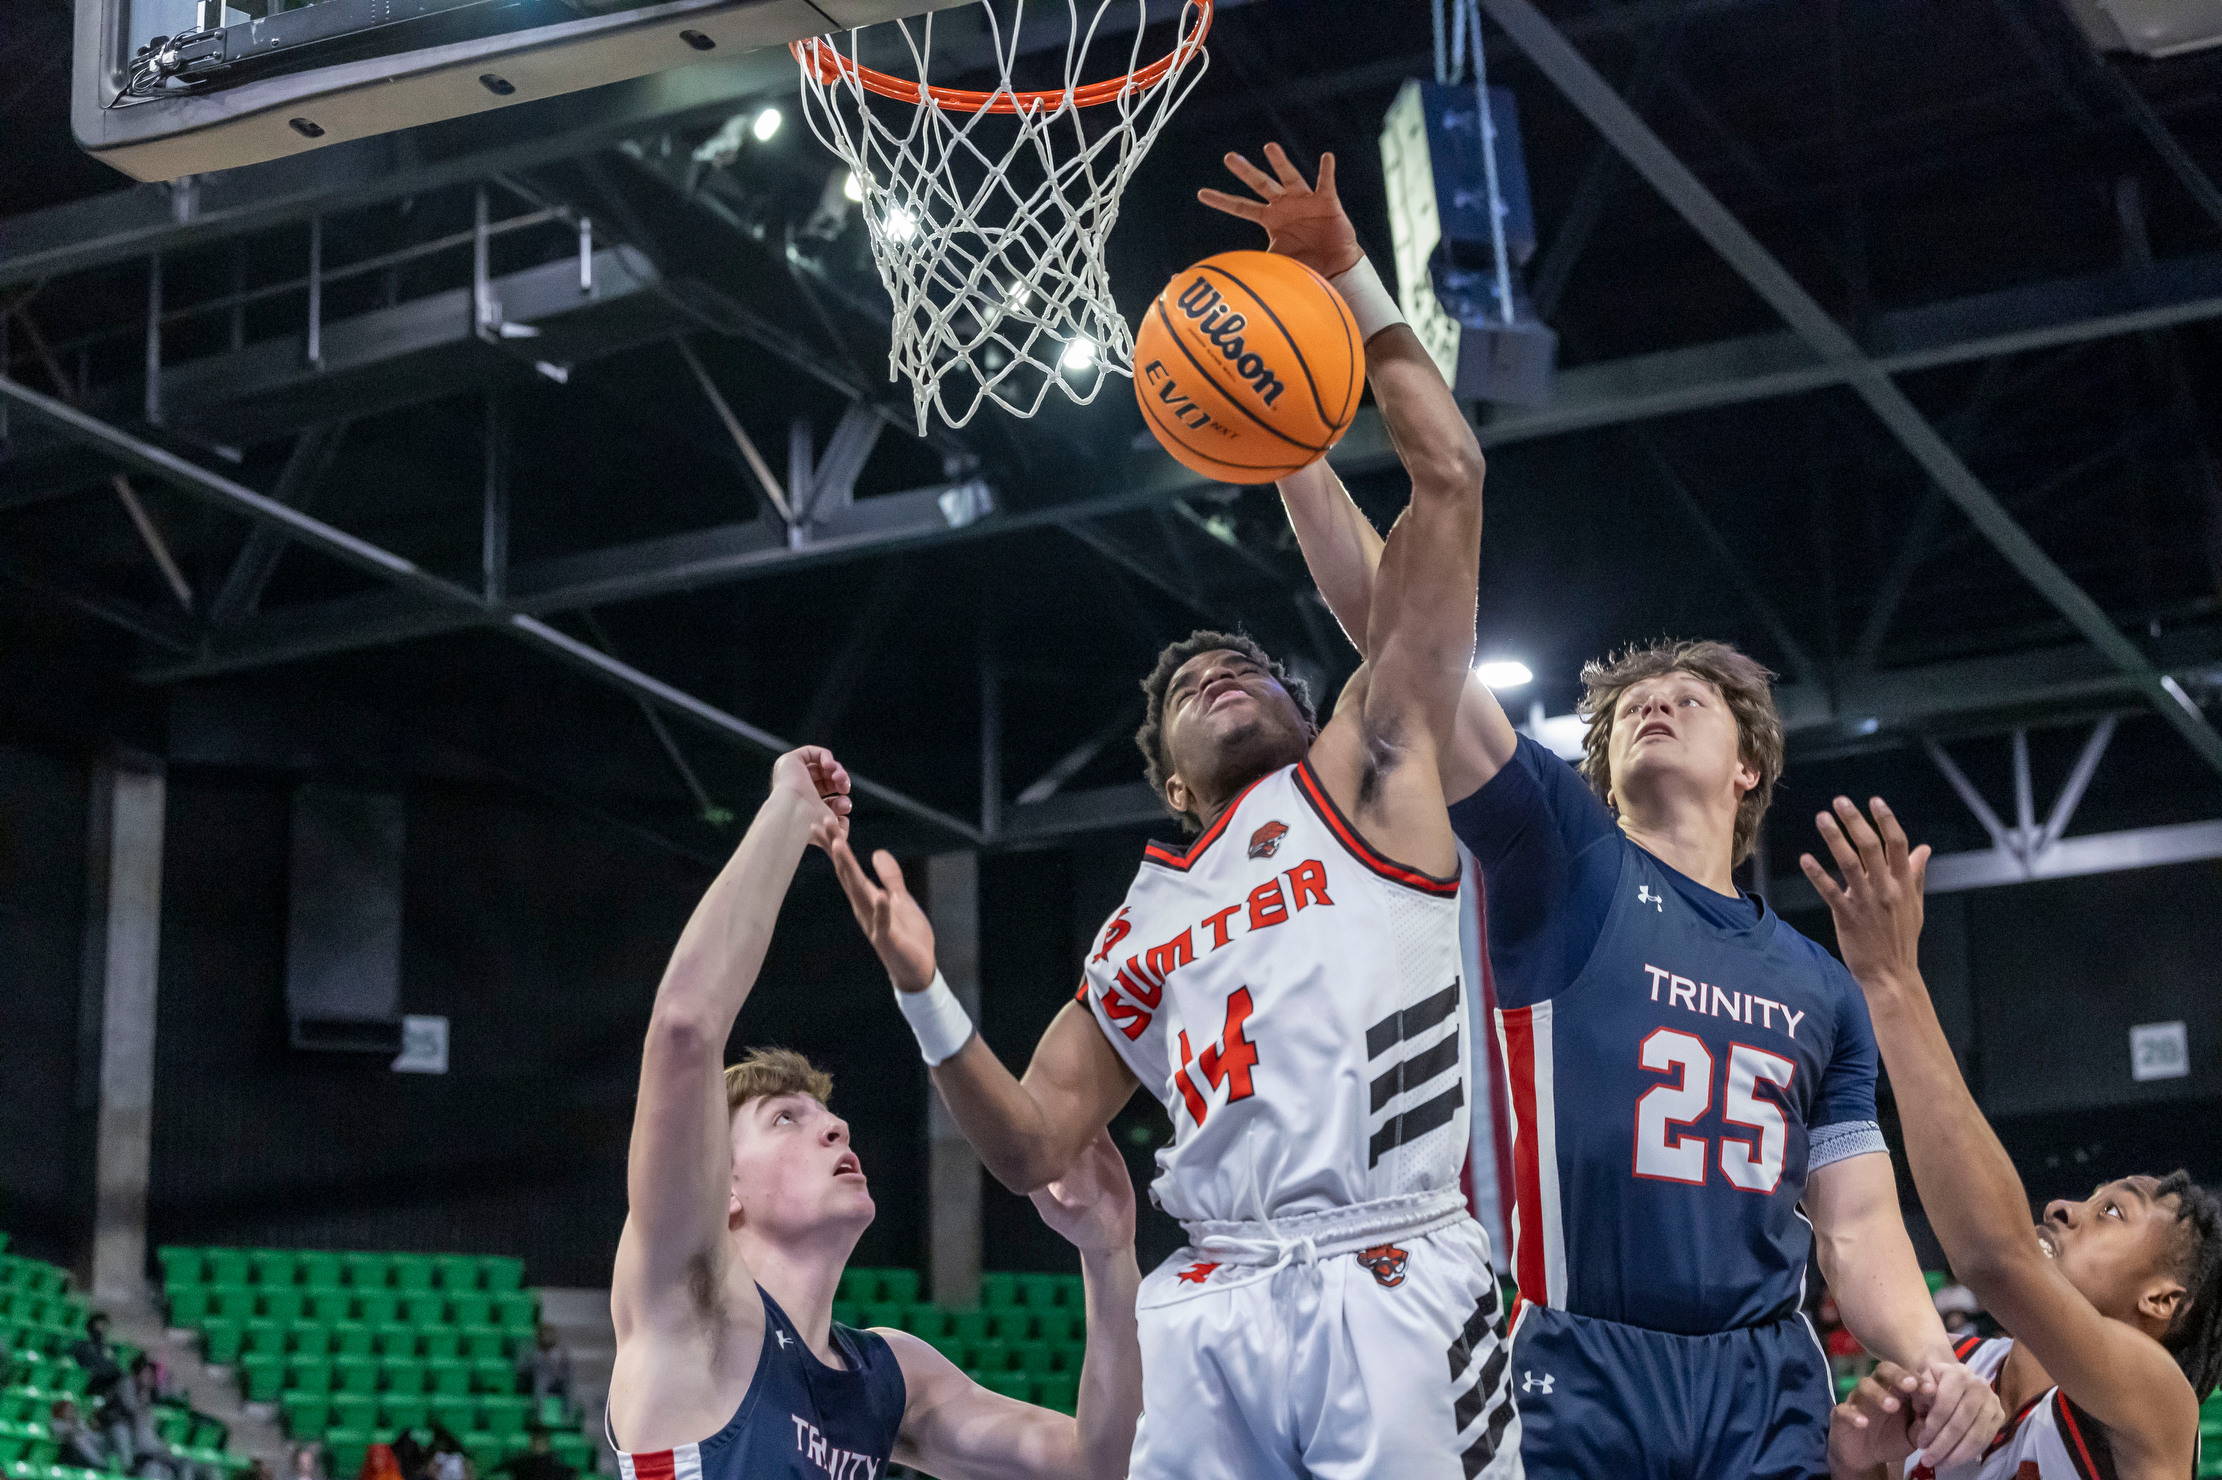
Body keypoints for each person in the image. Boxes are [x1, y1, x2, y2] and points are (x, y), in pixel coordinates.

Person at [830, 144, 1519, 1479]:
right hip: (1205, 1299)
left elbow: (1452, 479)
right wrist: (922, 991)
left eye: (1247, 664)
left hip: (1388, 1266)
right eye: (1190, 686)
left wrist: (1345, 280)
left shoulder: (1366, 774)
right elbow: (1032, 1140)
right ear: (1162, 777)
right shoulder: (1136, 930)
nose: (1221, 672)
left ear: (1306, 699)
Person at [1275, 497, 2004, 1467]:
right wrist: (1295, 458)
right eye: (1629, 707)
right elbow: (1411, 638)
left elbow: (1858, 1224)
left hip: (1762, 1376)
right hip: (1575, 1355)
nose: (1652, 704)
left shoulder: (1818, 984)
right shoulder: (1567, 863)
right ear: (1604, 765)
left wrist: (1931, 1356)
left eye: (1686, 699)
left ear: (1747, 768)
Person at [605, 745, 1146, 1480]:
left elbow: (1099, 1465)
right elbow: (684, 1028)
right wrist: (788, 811)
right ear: (723, 1185)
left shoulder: (892, 1376)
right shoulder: (690, 1301)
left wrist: (1108, 1257)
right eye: (784, 1120)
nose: (834, 1126)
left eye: (823, 1116)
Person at [1804, 795, 2222, 1479]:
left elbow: (1994, 1257)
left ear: (2161, 1299)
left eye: (2111, 1211)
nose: (2062, 1208)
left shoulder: (2156, 1404)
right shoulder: (1954, 1368)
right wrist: (1855, 1464)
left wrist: (1892, 980)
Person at [50, 1398, 110, 1470]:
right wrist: (73, 1430)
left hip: (83, 1454)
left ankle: (99, 1462)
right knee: (78, 1439)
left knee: (96, 1438)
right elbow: (60, 1434)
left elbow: (90, 1435)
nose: (71, 1412)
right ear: (62, 1410)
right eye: (68, 1409)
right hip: (69, 1453)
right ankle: (97, 1463)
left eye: (72, 1409)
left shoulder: (79, 1422)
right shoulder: (57, 1423)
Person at [517, 1327, 571, 1408]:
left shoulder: (560, 1355)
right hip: (537, 1382)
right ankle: (538, 1413)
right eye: (544, 1336)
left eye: (549, 1336)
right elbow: (521, 1369)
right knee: (540, 1379)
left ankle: (567, 1414)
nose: (546, 1338)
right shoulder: (533, 1353)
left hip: (556, 1383)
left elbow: (564, 1372)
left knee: (569, 1382)